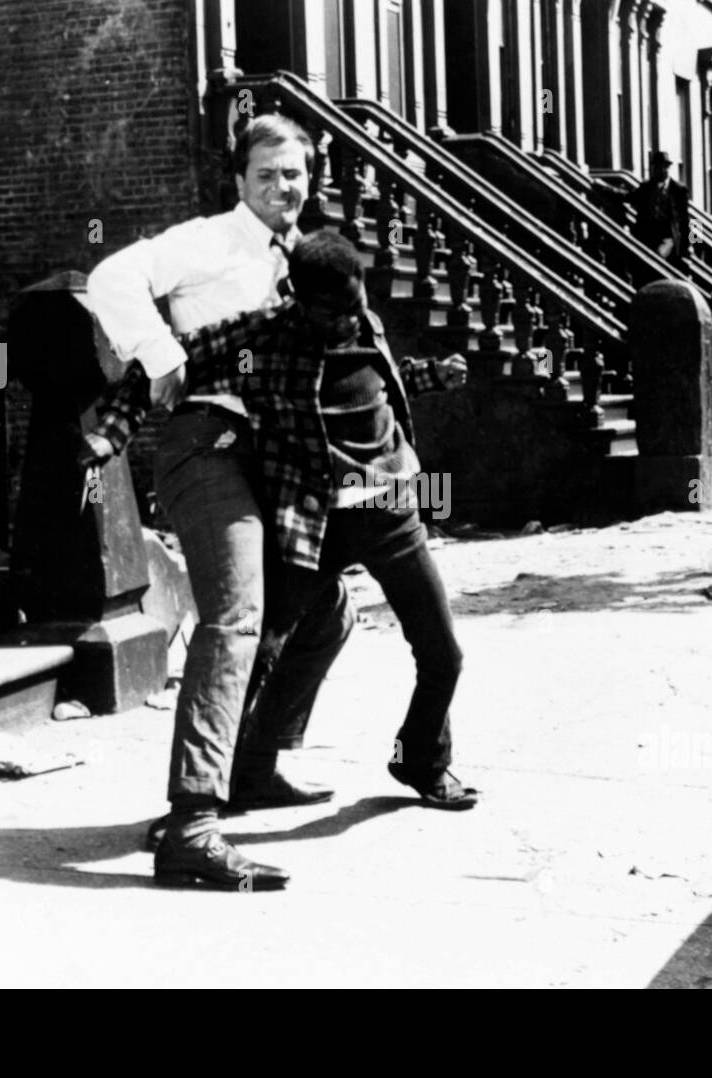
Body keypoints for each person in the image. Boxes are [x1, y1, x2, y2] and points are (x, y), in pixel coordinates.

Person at [90, 232, 478, 889]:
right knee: (255, 652)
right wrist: (111, 433)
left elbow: (375, 384)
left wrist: (433, 376)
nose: (348, 324)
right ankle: (209, 797)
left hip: (391, 512)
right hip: (316, 522)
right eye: (333, 316)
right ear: (295, 298)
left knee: (444, 652)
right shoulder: (261, 337)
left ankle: (420, 757)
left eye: (355, 309)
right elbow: (164, 362)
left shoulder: (365, 320)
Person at [85, 114, 352, 893]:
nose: (282, 188)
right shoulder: (205, 241)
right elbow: (110, 278)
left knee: (326, 605)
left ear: (312, 179)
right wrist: (161, 353)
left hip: (277, 457)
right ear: (238, 180)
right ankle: (192, 823)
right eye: (266, 174)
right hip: (206, 444)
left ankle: (251, 763)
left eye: (295, 174)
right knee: (234, 616)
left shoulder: (308, 259)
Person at [629, 150, 691, 266]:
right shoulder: (646, 187)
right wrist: (605, 188)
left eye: (665, 167)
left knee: (658, 257)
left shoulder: (678, 190)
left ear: (668, 168)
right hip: (647, 235)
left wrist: (692, 246)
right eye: (658, 167)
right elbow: (629, 196)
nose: (661, 170)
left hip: (668, 237)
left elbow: (689, 219)